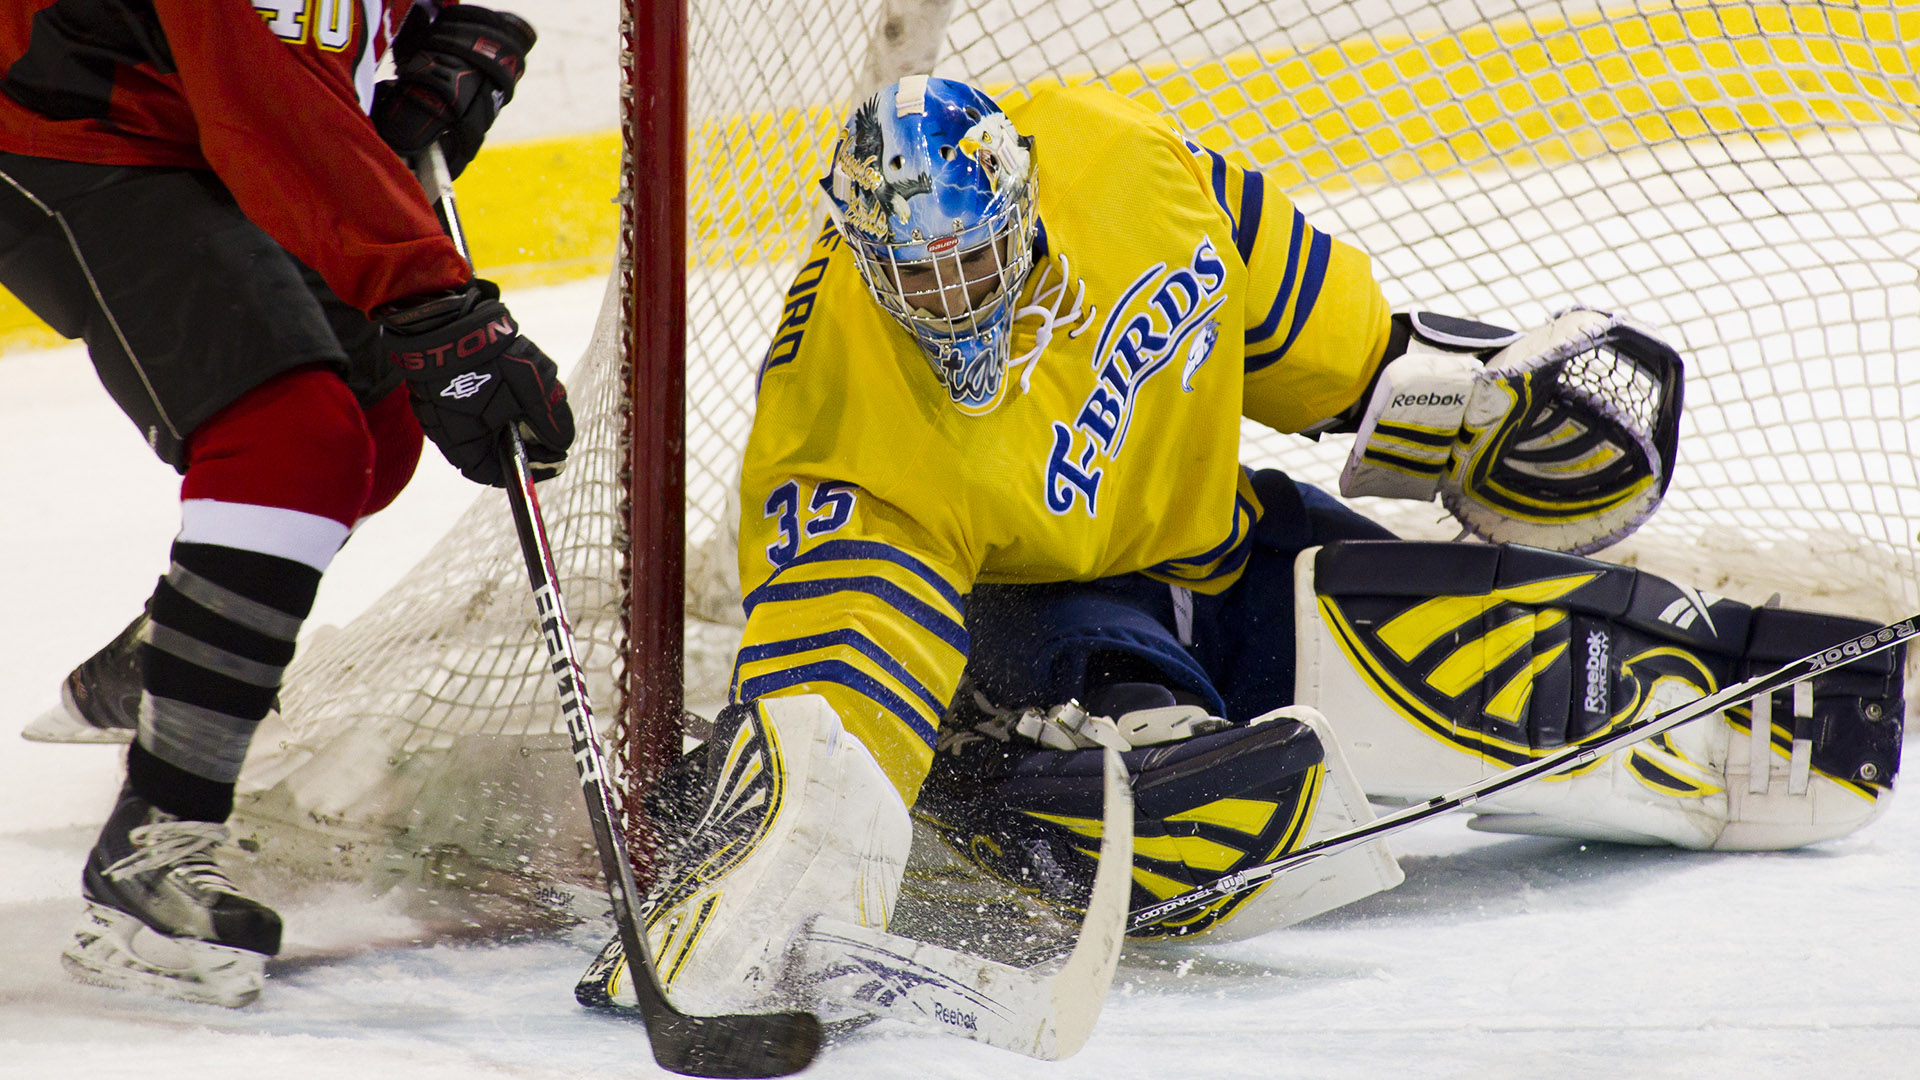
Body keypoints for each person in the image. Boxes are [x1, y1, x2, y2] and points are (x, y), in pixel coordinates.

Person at [0, 0, 573, 1007]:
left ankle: (168, 661)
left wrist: (424, 28)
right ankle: (152, 853)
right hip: (63, 115)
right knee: (294, 443)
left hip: (180, 100)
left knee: (377, 434)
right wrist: (433, 302)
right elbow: (258, 100)